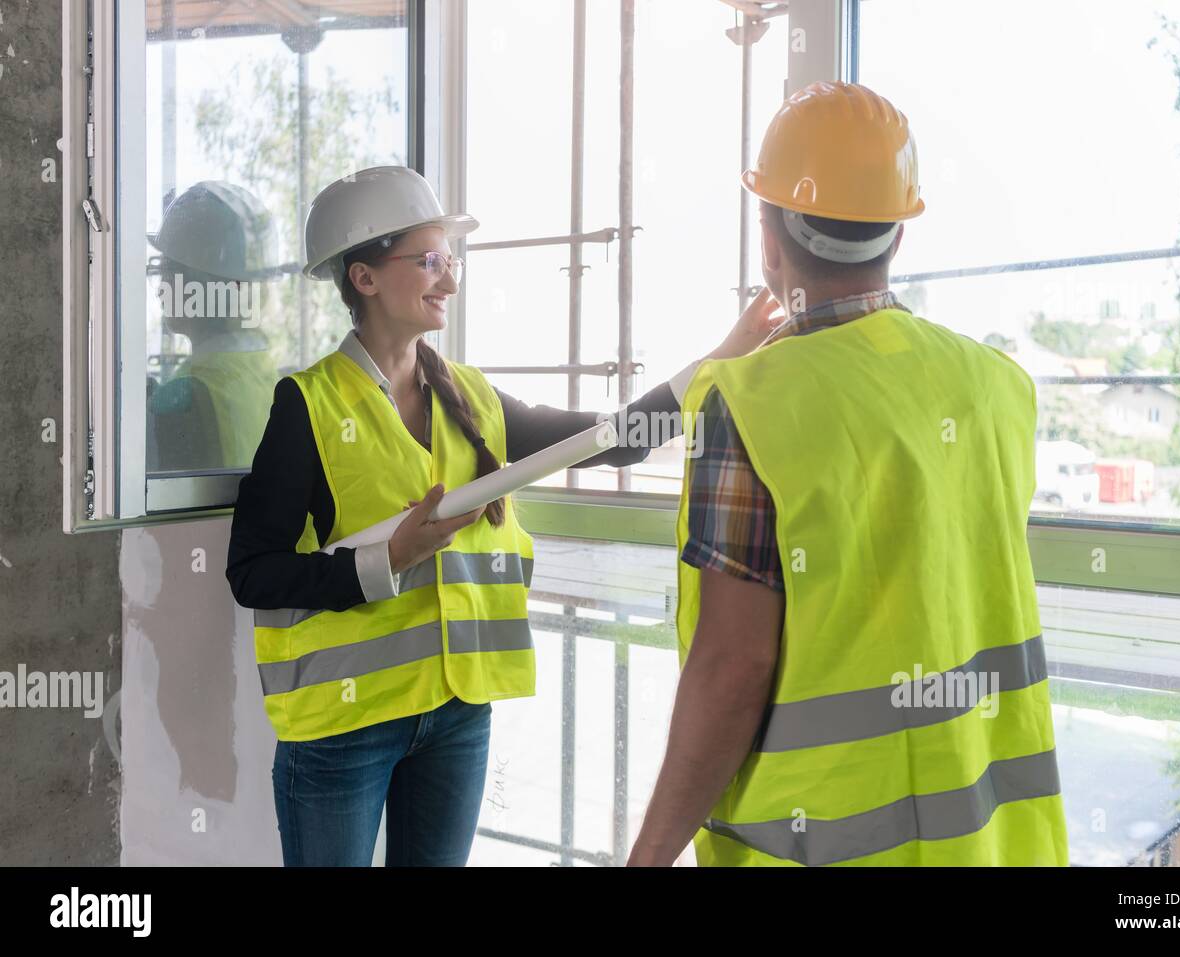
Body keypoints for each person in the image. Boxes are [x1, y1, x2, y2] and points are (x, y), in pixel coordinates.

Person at [225, 165, 781, 866]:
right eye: (427, 262)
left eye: (448, 262)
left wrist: (718, 363)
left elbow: (609, 441)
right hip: (344, 725)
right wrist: (387, 560)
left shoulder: (474, 398)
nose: (448, 281)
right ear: (364, 278)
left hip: (457, 716)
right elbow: (252, 572)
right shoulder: (307, 406)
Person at [628, 82, 1070, 866]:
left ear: (769, 237)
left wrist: (649, 853)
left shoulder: (748, 404)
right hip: (995, 843)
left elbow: (733, 667)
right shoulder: (1000, 386)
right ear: (898, 236)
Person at [147, 181, 285, 471]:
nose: (160, 288)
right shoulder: (268, 376)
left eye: (168, 270)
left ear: (201, 281)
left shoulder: (182, 397)